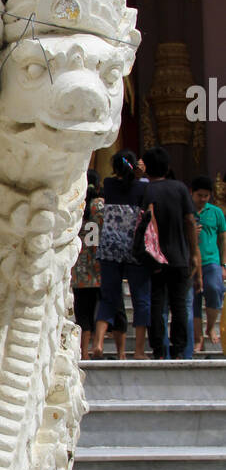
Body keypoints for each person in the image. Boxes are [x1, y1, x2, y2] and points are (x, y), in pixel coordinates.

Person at [142, 146, 202, 360]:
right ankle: (178, 349)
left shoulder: (147, 191)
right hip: (179, 256)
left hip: (155, 257)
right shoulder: (179, 189)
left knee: (157, 303)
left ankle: (158, 349)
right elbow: (189, 220)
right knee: (179, 305)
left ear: (147, 169)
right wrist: (194, 251)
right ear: (168, 167)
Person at [92, 150, 151, 360]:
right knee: (140, 299)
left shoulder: (108, 184)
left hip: (109, 248)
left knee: (108, 297)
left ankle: (98, 343)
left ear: (114, 167)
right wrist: (141, 175)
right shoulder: (143, 186)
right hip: (134, 249)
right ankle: (139, 350)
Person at [187, 175, 226, 351]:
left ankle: (210, 328)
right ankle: (198, 338)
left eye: (206, 196)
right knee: (193, 299)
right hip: (190, 261)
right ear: (192, 193)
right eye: (199, 195)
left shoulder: (216, 212)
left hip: (212, 261)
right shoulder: (186, 211)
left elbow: (223, 239)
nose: (203, 199)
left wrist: (223, 264)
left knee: (215, 289)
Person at [72, 169, 103, 359]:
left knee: (81, 313)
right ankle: (92, 346)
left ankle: (83, 351)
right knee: (95, 311)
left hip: (78, 269)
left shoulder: (76, 205)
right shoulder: (99, 207)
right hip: (97, 268)